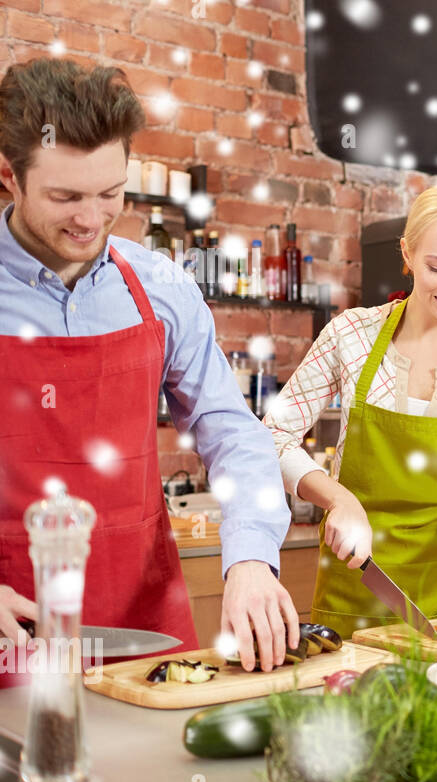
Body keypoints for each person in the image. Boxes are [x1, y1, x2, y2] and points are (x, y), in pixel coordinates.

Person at [0, 59, 292, 674]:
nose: (90, 219)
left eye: (110, 193)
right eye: (65, 196)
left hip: (143, 630)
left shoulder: (160, 287)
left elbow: (232, 431)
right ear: (10, 177)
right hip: (14, 621)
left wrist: (250, 557)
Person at [267, 181, 437, 638]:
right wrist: (337, 498)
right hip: (355, 591)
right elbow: (272, 435)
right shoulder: (352, 336)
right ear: (407, 253)